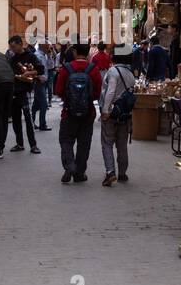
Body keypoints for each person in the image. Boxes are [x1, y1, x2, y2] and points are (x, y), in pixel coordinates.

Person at [55, 43, 102, 183]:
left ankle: (69, 165)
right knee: (84, 143)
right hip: (88, 112)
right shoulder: (93, 69)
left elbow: (58, 90)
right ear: (88, 53)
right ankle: (79, 173)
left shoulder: (66, 69)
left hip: (68, 112)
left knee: (66, 140)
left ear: (75, 52)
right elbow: (97, 93)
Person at [99, 59, 136, 186]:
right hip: (125, 115)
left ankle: (110, 172)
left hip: (111, 113)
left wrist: (105, 110)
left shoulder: (113, 71)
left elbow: (110, 92)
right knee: (122, 145)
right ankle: (122, 173)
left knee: (107, 143)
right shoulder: (130, 74)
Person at [7, 35, 43, 154]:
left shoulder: (31, 56)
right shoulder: (12, 59)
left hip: (26, 91)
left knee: (28, 119)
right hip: (14, 91)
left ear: (20, 44)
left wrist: (28, 73)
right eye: (10, 47)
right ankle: (19, 143)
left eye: (14, 46)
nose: (12, 49)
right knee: (16, 119)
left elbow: (40, 70)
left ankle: (33, 145)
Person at [33, 41, 53, 131]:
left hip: (44, 81)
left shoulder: (44, 55)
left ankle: (32, 122)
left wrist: (49, 56)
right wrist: (38, 77)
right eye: (47, 46)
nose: (49, 47)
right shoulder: (37, 55)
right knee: (43, 104)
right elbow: (33, 69)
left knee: (36, 104)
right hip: (39, 82)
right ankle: (42, 124)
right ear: (42, 45)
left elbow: (50, 66)